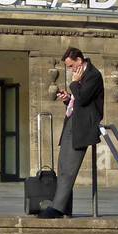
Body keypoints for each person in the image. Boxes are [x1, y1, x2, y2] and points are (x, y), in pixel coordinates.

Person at [38, 46, 104, 219]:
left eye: (70, 65)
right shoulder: (83, 76)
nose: (70, 69)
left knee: (69, 168)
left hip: (82, 127)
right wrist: (67, 100)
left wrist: (74, 83)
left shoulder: (93, 75)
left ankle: (57, 208)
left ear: (79, 61)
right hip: (72, 122)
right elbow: (78, 102)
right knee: (62, 166)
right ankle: (65, 206)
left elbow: (83, 98)